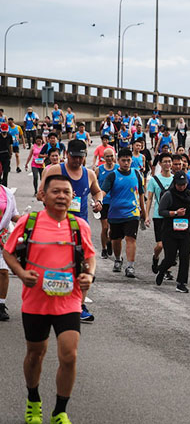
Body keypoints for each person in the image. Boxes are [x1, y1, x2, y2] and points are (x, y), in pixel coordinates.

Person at [1, 174, 96, 424]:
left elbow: (90, 256)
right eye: (56, 191)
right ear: (43, 195)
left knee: (69, 355)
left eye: (66, 192)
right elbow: (8, 252)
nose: (62, 196)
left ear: (72, 197)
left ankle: (60, 411)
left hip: (69, 301)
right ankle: (33, 400)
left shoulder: (79, 226)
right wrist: (21, 273)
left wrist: (89, 275)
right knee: (35, 354)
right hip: (36, 302)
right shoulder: (29, 222)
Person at [39, 140, 103, 323]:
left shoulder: (89, 174)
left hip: (80, 228)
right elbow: (40, 194)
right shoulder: (55, 170)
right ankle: (50, 301)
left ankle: (79, 306)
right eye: (74, 157)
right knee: (54, 266)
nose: (77, 161)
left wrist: (98, 201)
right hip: (55, 226)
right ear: (67, 154)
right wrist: (60, 195)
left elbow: (97, 191)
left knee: (84, 267)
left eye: (81, 157)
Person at [100, 148, 145, 278]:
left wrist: (144, 212)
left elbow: (141, 194)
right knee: (116, 239)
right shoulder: (112, 176)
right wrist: (98, 201)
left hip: (132, 213)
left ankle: (130, 266)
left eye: (128, 160)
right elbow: (103, 191)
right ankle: (118, 259)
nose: (126, 163)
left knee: (131, 238)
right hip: (115, 213)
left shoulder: (137, 174)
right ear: (118, 160)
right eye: (123, 160)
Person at [155, 171, 190, 293]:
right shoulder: (168, 195)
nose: (182, 187)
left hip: (185, 231)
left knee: (185, 257)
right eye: (179, 184)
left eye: (184, 184)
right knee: (170, 259)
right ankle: (161, 270)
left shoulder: (189, 195)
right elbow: (161, 211)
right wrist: (175, 213)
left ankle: (181, 283)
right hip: (170, 231)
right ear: (174, 183)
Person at [145, 154, 174, 279]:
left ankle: (167, 269)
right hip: (159, 216)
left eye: (169, 161)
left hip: (172, 216)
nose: (167, 164)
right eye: (165, 162)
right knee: (160, 245)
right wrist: (147, 215)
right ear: (160, 164)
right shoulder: (154, 180)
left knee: (170, 245)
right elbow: (150, 198)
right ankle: (155, 257)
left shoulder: (175, 179)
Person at [0, 182, 22, 322]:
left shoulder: (6, 193)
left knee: (3, 271)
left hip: (1, 237)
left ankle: (1, 305)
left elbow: (13, 214)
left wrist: (29, 221)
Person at [94, 149, 117, 260]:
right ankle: (104, 248)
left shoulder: (118, 168)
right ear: (103, 157)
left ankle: (109, 241)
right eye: (107, 156)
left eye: (111, 156)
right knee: (105, 227)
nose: (109, 158)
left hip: (115, 202)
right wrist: (96, 199)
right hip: (103, 202)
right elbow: (93, 185)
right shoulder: (99, 170)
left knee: (113, 228)